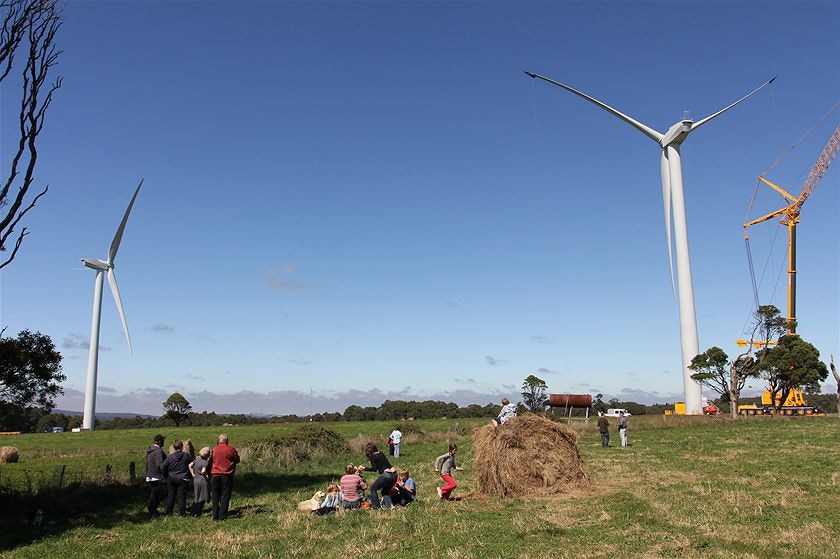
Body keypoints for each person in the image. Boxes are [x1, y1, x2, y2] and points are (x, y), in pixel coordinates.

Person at [209, 433, 240, 521]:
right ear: (227, 441)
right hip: (227, 475)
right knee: (225, 495)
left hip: (215, 475)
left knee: (215, 496)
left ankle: (215, 515)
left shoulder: (214, 450)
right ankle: (222, 515)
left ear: (218, 441)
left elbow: (210, 462)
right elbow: (237, 460)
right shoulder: (231, 449)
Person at [359, 443, 397, 510]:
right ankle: (390, 505)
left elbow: (374, 469)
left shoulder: (372, 456)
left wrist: (364, 468)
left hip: (386, 475)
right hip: (394, 474)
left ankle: (376, 507)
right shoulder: (381, 453)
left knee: (373, 489)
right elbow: (386, 464)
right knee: (385, 491)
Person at [161, 439, 193, 516]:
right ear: (182, 446)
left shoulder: (170, 457)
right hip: (183, 478)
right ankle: (182, 512)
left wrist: (166, 475)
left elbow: (162, 467)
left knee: (171, 496)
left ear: (174, 448)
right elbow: (192, 464)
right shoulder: (186, 456)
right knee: (181, 496)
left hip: (171, 477)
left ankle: (169, 512)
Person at [145, 434, 167, 518]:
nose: (164, 443)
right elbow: (160, 464)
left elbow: (147, 464)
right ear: (159, 441)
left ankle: (152, 510)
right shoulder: (158, 451)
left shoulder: (149, 450)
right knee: (165, 491)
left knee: (154, 493)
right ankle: (152, 507)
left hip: (150, 475)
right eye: (163, 441)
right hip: (157, 475)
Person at [189, 446, 211, 516]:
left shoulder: (197, 459)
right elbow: (203, 471)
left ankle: (192, 512)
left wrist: (193, 474)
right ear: (206, 454)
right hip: (202, 480)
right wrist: (206, 477)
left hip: (196, 479)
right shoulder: (205, 462)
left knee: (197, 496)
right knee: (202, 497)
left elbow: (190, 465)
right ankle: (198, 513)